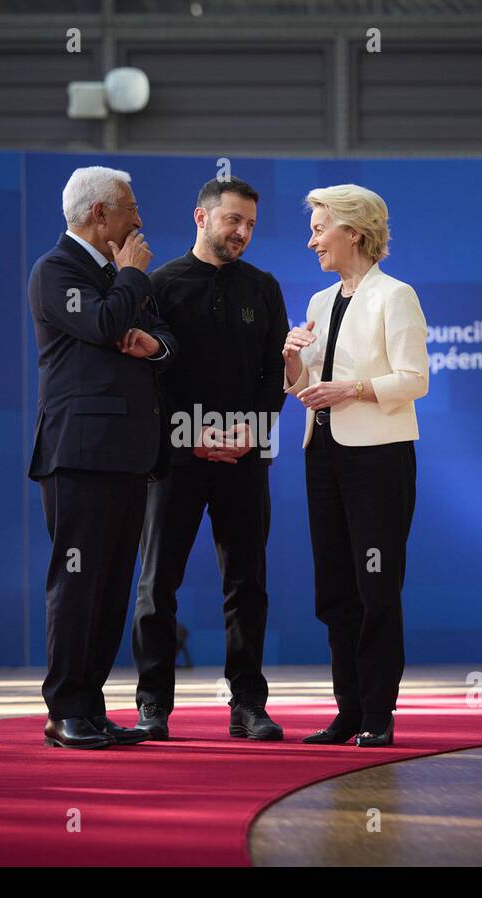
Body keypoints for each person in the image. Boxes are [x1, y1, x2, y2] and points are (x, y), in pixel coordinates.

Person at [131, 178, 289, 741]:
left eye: (250, 223)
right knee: (157, 583)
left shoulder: (265, 288)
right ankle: (153, 706)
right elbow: (146, 373)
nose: (242, 232)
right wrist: (185, 435)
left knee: (247, 582)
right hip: (176, 455)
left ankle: (247, 705)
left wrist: (251, 429)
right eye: (232, 221)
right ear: (201, 217)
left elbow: (276, 373)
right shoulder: (159, 285)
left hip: (248, 455)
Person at [26, 166, 176, 749]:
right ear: (99, 215)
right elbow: (104, 321)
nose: (139, 219)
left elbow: (165, 339)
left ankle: (90, 707)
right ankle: (64, 708)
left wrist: (153, 342)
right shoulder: (56, 270)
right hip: (79, 454)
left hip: (129, 455)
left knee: (113, 587)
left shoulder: (122, 277)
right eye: (130, 208)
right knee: (78, 582)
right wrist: (133, 280)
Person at [283, 184, 428, 748]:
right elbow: (305, 390)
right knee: (334, 591)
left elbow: (415, 379)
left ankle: (377, 715)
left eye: (320, 228)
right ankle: (347, 711)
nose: (311, 238)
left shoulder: (396, 296)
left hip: (379, 461)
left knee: (377, 588)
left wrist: (355, 388)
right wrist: (293, 363)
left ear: (355, 233)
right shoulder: (321, 302)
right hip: (321, 455)